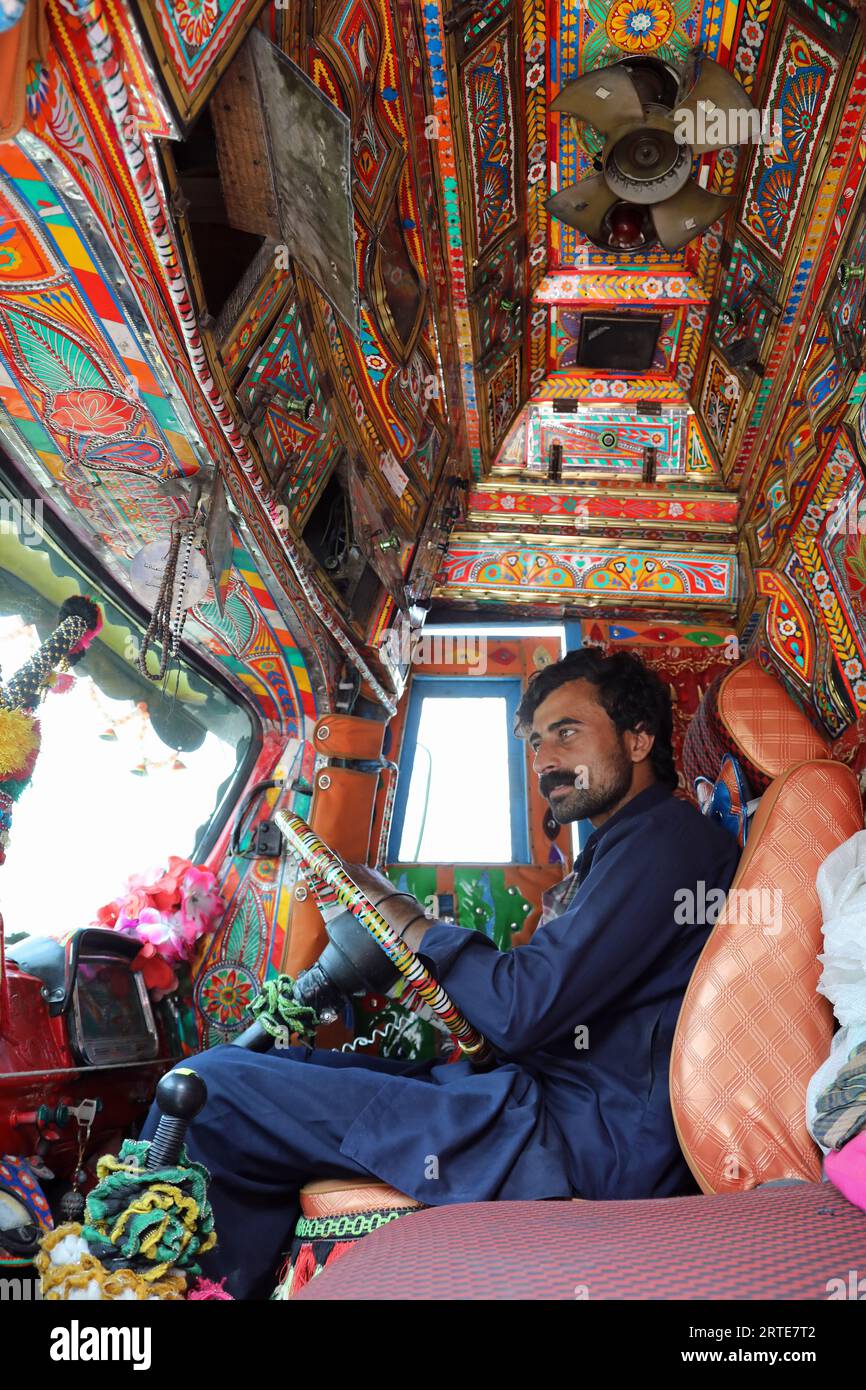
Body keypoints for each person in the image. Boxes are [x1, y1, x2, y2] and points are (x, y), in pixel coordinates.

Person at [141, 648, 740, 1298]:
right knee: (271, 1066)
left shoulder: (666, 842)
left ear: (638, 737)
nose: (544, 760)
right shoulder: (621, 848)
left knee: (210, 1091)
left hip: (577, 1141)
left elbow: (523, 1005)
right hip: (538, 1106)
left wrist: (408, 923)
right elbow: (535, 1004)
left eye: (566, 732)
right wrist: (415, 950)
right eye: (536, 741)